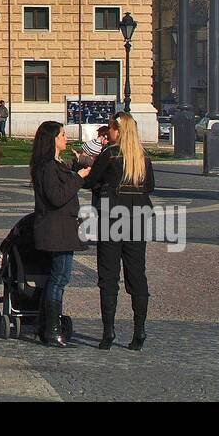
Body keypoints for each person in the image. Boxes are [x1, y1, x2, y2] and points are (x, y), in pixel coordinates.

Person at [81, 112, 154, 351]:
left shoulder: (110, 154)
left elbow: (91, 181)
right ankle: (139, 330)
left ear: (117, 131)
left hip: (111, 219)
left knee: (109, 277)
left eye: (110, 129)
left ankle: (108, 331)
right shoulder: (142, 156)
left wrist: (82, 165)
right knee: (137, 275)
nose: (108, 133)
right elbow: (150, 186)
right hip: (137, 221)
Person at [30, 120, 84, 347]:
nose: (65, 138)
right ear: (52, 139)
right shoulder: (47, 166)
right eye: (62, 135)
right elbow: (57, 197)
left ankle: (46, 326)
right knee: (59, 278)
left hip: (60, 229)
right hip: (56, 230)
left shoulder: (53, 164)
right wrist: (78, 178)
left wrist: (76, 168)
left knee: (59, 278)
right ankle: (51, 329)